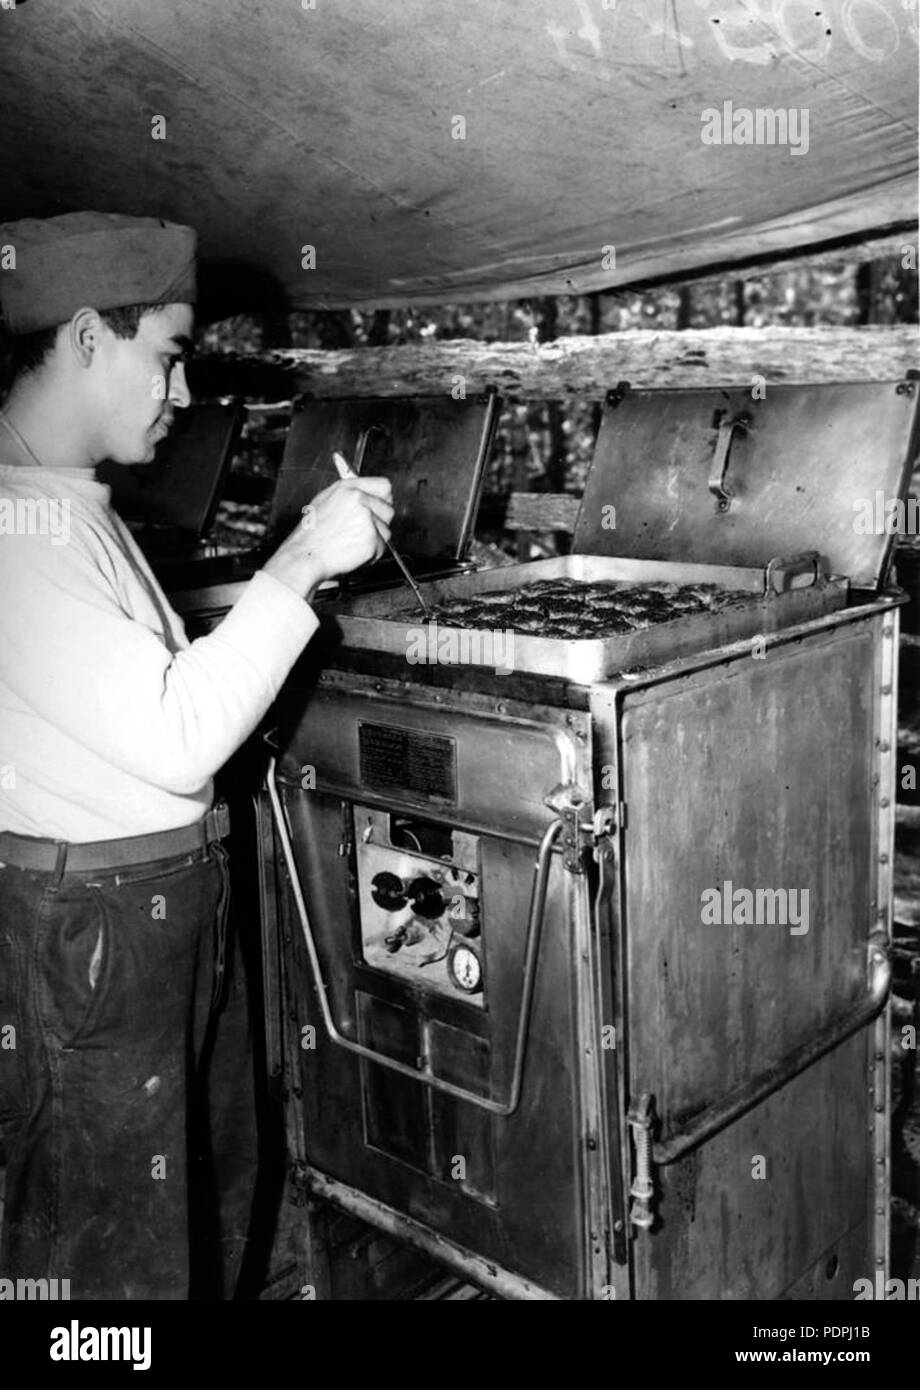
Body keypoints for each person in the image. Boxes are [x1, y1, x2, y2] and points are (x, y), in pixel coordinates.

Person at [0, 211, 393, 1299]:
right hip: (97, 942)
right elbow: (177, 741)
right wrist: (307, 556)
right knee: (113, 1259)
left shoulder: (62, 502)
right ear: (86, 336)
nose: (181, 395)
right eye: (166, 357)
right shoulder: (12, 529)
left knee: (194, 1218)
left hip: (151, 913)